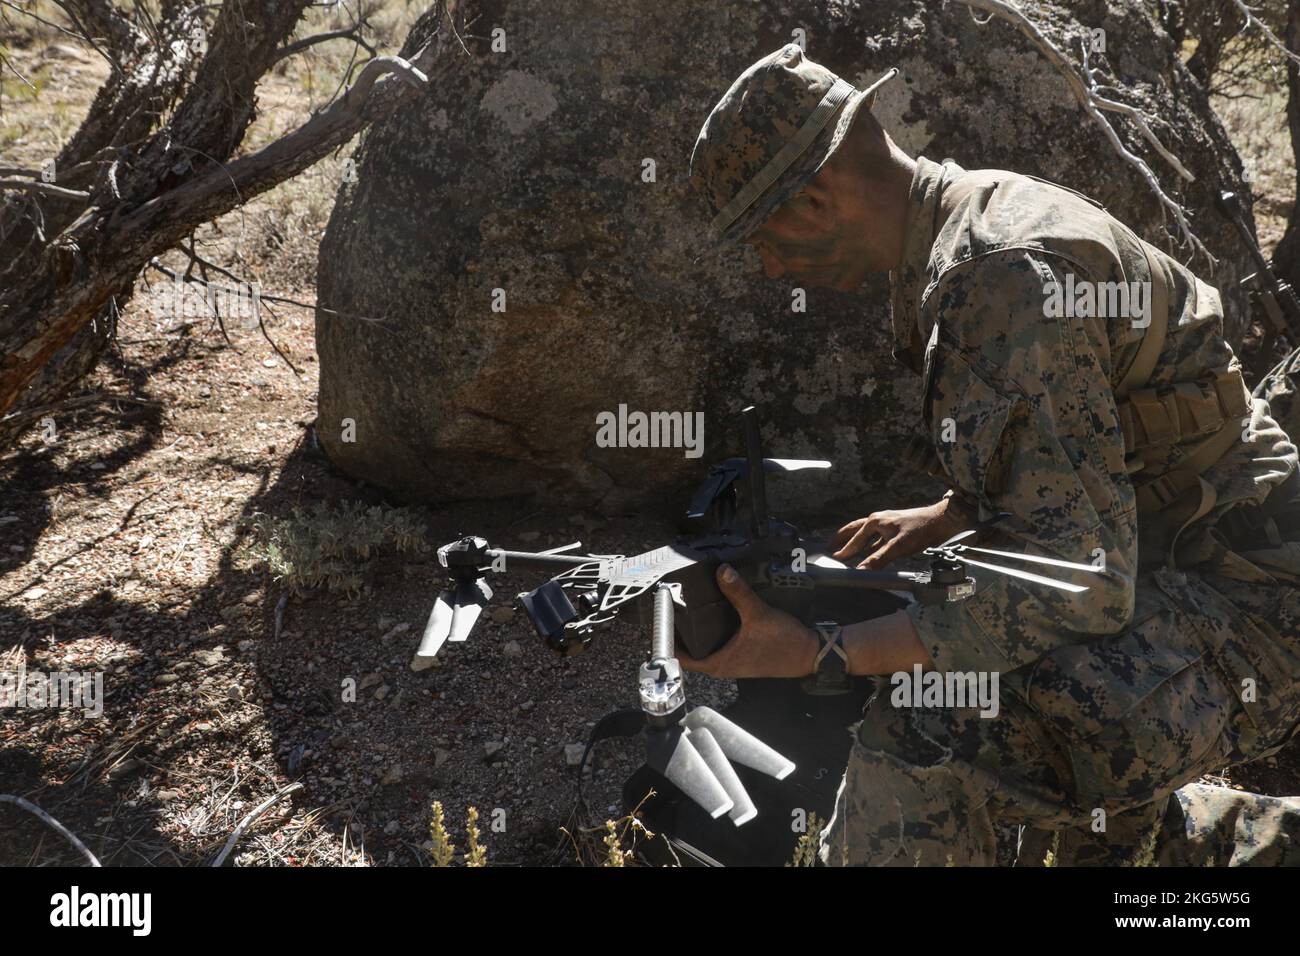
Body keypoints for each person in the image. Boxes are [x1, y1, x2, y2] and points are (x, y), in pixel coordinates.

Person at [680, 43, 1300, 865]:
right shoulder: (968, 219)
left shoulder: (998, 275)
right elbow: (1088, 436)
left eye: (763, 237)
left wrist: (826, 651)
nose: (769, 265)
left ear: (819, 197)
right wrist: (957, 513)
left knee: (932, 730)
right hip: (1189, 550)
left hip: (1252, 600)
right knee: (944, 636)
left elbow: (1079, 585)